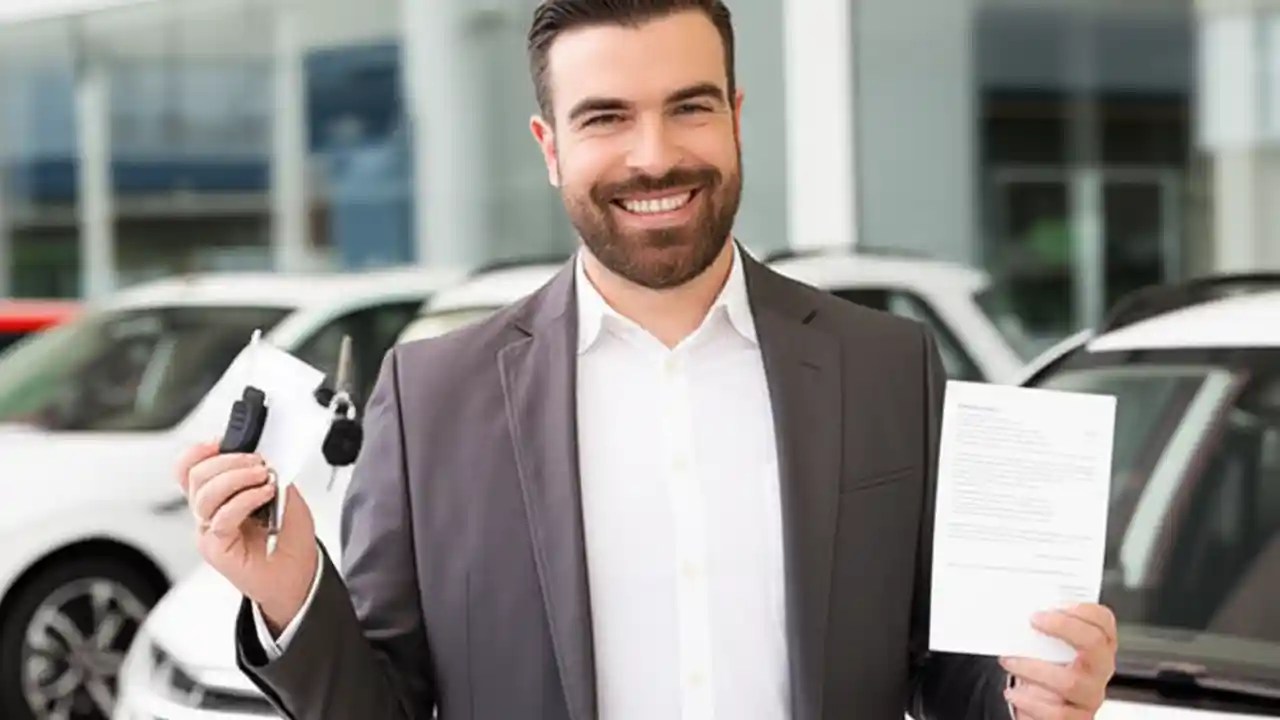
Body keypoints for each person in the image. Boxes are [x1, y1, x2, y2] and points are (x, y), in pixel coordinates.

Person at [175, 1, 1118, 718]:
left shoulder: (889, 368)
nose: (655, 156)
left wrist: (1042, 693)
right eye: (606, 118)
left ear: (737, 115)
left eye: (689, 107)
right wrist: (293, 593)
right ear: (549, 148)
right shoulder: (432, 401)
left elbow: (957, 683)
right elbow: (385, 704)